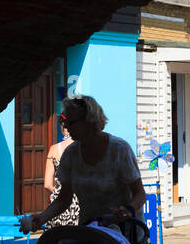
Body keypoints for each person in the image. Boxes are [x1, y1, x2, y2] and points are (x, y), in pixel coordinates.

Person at [19, 95, 145, 232]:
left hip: (125, 234)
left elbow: (140, 193)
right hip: (90, 231)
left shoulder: (119, 150)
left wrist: (128, 210)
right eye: (64, 121)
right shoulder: (71, 154)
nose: (65, 126)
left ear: (89, 121)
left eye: (71, 122)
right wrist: (41, 218)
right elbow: (63, 199)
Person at [43, 116, 81, 229]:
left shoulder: (54, 149)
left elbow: (47, 184)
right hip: (79, 205)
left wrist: (59, 194)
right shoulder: (82, 147)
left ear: (62, 127)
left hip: (57, 206)